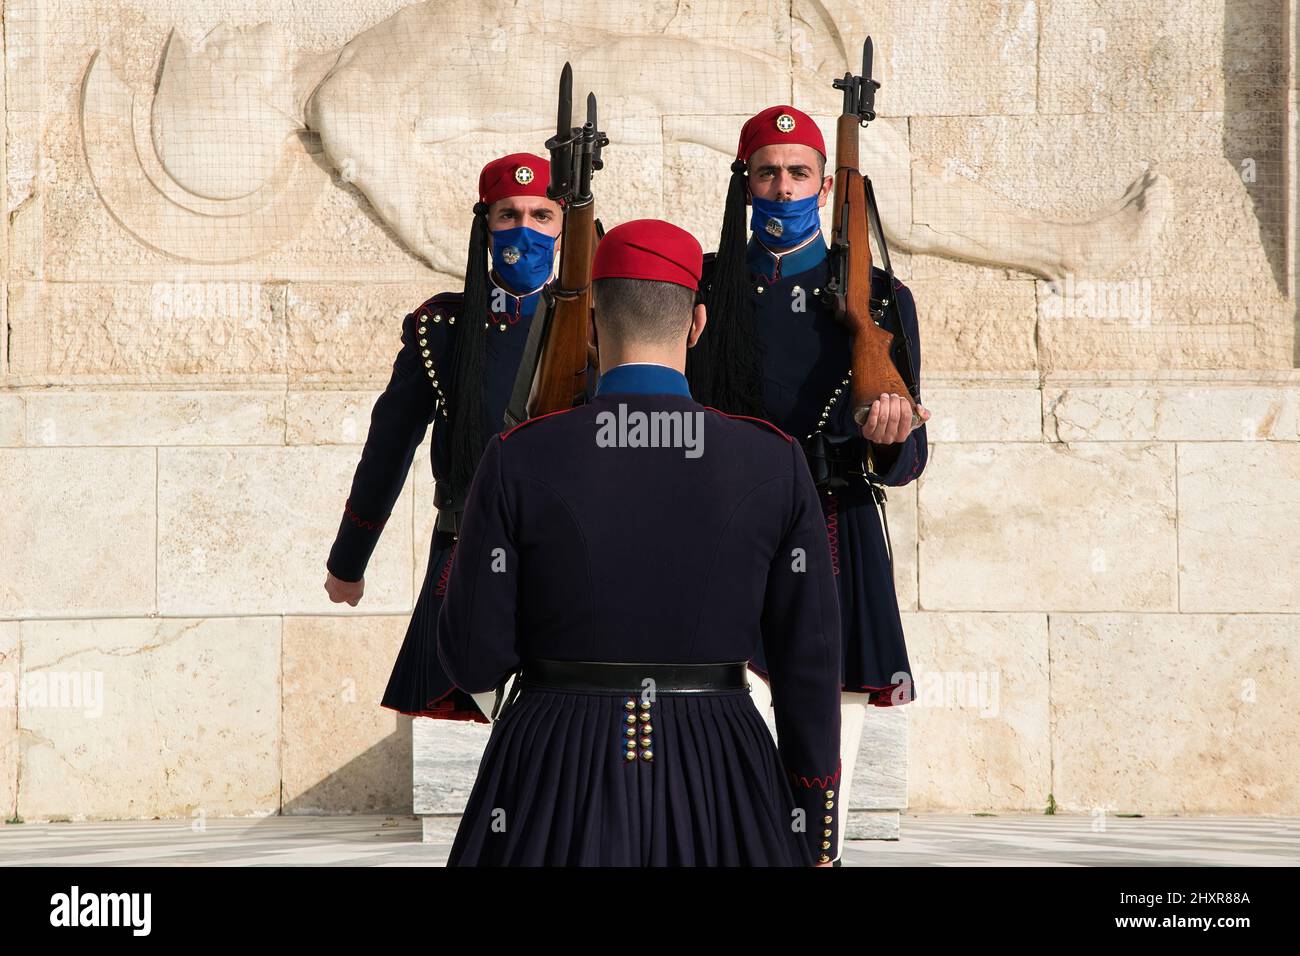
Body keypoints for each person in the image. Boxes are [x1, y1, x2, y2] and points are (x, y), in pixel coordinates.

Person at [436, 218, 843, 866]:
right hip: (721, 761)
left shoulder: (517, 457)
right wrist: (816, 820)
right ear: (697, 324)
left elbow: (475, 660)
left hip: (554, 761)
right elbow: (809, 666)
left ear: (592, 329)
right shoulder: (774, 461)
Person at [687, 105, 933, 861]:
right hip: (725, 534)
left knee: (833, 744)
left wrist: (890, 436)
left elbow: (909, 461)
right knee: (729, 733)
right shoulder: (702, 285)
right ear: (744, 181)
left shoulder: (881, 299)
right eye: (767, 172)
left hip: (837, 525)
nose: (783, 188)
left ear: (826, 187)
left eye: (799, 173)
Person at [323, 152, 575, 722]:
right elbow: (389, 447)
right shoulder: (444, 327)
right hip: (469, 547)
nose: (525, 230)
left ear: (564, 229)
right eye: (508, 214)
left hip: (567, 552)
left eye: (541, 215)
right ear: (485, 224)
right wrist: (349, 560)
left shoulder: (593, 322)